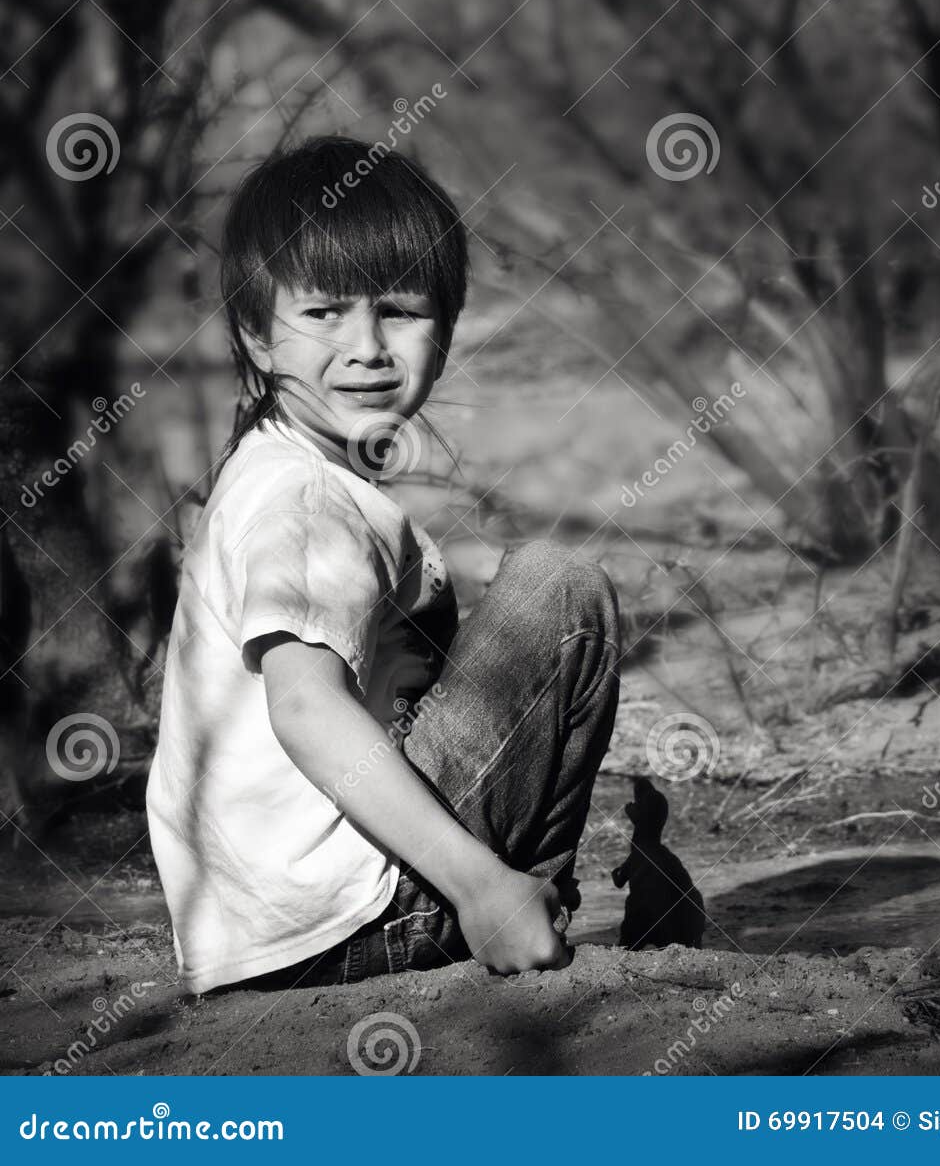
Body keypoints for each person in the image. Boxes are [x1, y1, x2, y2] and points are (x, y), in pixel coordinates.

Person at [146, 135, 620, 995]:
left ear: (445, 329)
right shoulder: (303, 501)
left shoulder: (274, 467)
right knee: (560, 590)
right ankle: (512, 903)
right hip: (351, 923)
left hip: (261, 935)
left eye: (398, 310)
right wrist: (478, 886)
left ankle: (522, 905)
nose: (367, 347)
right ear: (256, 336)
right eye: (323, 313)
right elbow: (303, 707)